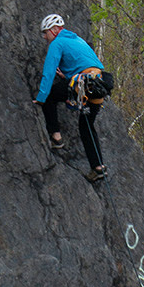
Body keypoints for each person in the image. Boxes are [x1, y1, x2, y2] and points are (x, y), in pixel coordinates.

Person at [33, 14, 112, 182]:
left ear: (54, 30)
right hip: (98, 86)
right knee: (87, 126)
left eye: (45, 33)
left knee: (49, 96)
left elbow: (48, 73)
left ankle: (56, 137)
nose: (44, 37)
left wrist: (40, 98)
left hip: (84, 83)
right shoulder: (79, 40)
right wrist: (67, 77)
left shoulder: (57, 43)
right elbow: (88, 65)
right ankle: (98, 167)